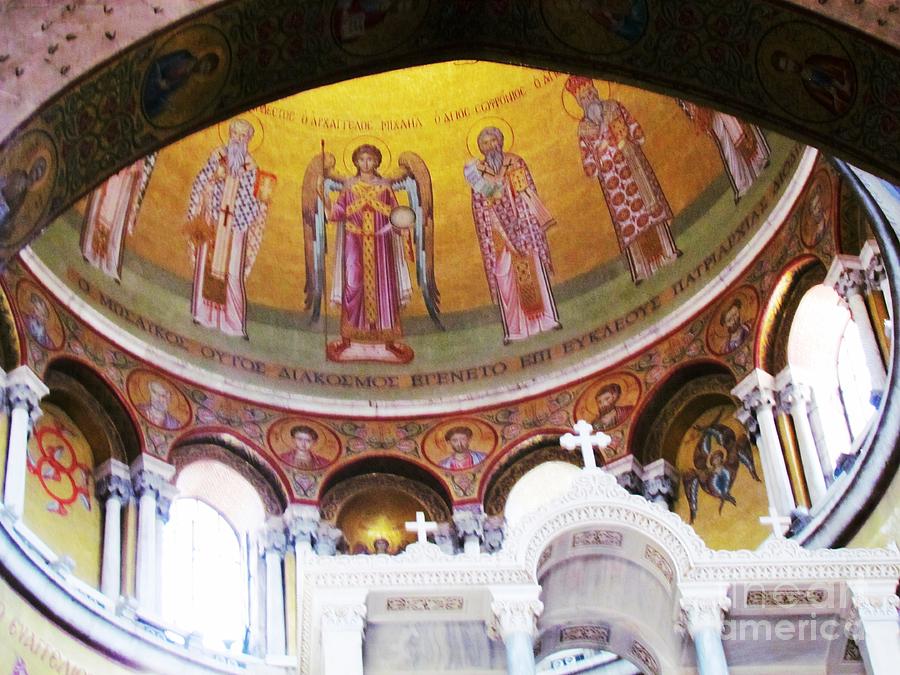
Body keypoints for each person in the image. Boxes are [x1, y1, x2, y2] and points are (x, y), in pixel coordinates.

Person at [567, 76, 680, 284]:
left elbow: (633, 126)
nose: (589, 98)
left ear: (596, 91)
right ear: (579, 102)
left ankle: (669, 251)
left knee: (651, 209)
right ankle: (641, 270)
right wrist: (597, 159)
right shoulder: (584, 129)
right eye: (584, 97)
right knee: (629, 224)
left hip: (633, 164)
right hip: (613, 182)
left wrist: (632, 137)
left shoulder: (613, 107)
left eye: (591, 93)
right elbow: (588, 163)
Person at [464, 126, 560, 344]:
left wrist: (520, 215)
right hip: (499, 234)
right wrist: (491, 211)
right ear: (480, 148)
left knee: (533, 268)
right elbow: (479, 207)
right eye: (485, 143)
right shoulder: (477, 174)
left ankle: (547, 320)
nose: (490, 147)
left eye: (493, 141)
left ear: (501, 141)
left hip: (523, 227)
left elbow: (526, 190)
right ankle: (515, 331)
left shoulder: (514, 162)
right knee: (505, 276)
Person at [321, 144, 414, 363]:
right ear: (355, 162)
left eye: (370, 159)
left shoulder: (384, 187)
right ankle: (348, 338)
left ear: (376, 162)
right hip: (355, 240)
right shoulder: (350, 186)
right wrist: (323, 199)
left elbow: (396, 214)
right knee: (353, 285)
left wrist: (403, 224)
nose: (365, 163)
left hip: (381, 241)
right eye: (361, 159)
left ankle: (388, 341)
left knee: (384, 289)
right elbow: (337, 213)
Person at [185, 118, 274, 338]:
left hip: (237, 228)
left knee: (233, 274)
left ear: (249, 140)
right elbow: (200, 183)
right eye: (236, 134)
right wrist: (215, 178)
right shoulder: (217, 157)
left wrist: (261, 202)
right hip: (214, 222)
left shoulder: (251, 167)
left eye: (244, 136)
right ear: (229, 134)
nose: (238, 139)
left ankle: (233, 324)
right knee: (205, 268)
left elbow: (253, 201)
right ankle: (201, 314)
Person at [81, 154, 157, 280]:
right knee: (100, 211)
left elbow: (138, 170)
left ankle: (107, 260)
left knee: (114, 220)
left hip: (122, 186)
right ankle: (91, 251)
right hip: (112, 181)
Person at [677, 100, 770, 202]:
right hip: (700, 105)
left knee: (738, 119)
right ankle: (742, 184)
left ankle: (760, 159)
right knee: (724, 140)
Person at [770, 50, 856, 117]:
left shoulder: (813, 60)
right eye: (786, 67)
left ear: (790, 56)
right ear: (787, 72)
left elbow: (841, 64)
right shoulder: (808, 87)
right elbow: (831, 106)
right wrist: (836, 97)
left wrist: (847, 83)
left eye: (788, 61)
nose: (790, 66)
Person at [142, 49, 221, 121]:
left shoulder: (185, 79)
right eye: (206, 66)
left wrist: (166, 104)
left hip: (156, 89)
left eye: (206, 71)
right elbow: (158, 63)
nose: (202, 70)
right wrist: (158, 79)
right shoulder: (184, 55)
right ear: (203, 58)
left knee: (159, 108)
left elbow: (166, 92)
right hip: (152, 75)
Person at [0, 156, 47, 235]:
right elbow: (3, 182)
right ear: (33, 165)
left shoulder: (25, 195)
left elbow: (13, 215)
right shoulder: (18, 175)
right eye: (37, 168)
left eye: (40, 172)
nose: (37, 173)